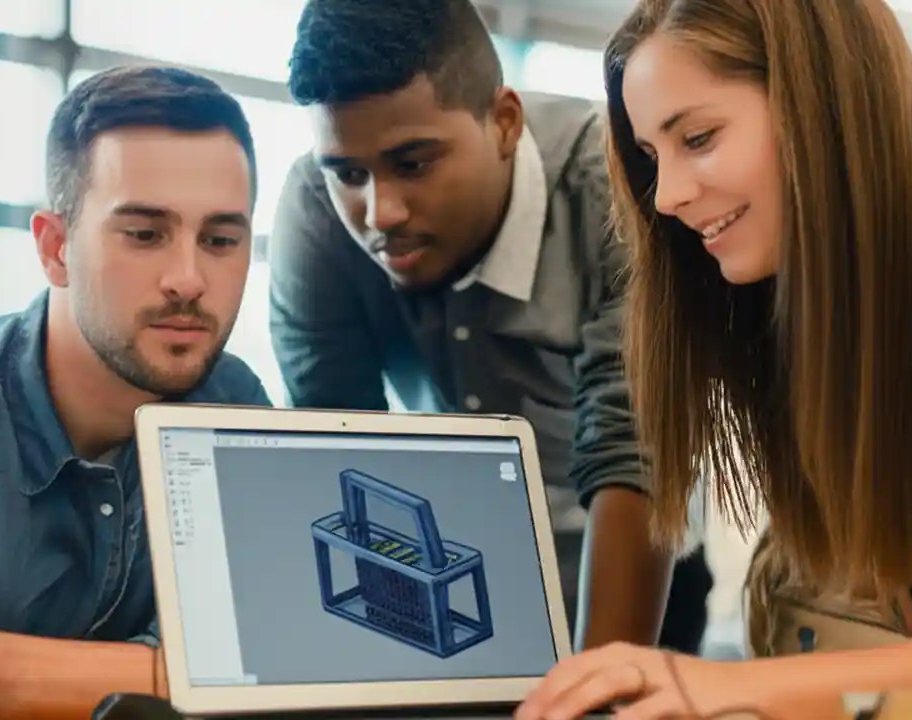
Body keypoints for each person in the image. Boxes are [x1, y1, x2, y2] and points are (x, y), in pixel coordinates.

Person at [515, 0, 912, 718]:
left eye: (699, 137)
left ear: (816, 99)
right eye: (654, 158)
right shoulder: (814, 282)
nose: (671, 197)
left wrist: (709, 688)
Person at [269, 0, 694, 649]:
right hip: (454, 567)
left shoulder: (614, 186)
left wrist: (597, 695)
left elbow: (635, 446)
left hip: (634, 564)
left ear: (503, 123)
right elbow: (341, 441)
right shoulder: (315, 211)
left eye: (412, 163)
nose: (380, 212)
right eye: (350, 174)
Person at [0, 65, 269, 719]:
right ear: (55, 249)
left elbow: (266, 673)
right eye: (144, 234)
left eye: (220, 240)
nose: (189, 279)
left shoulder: (238, 411)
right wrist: (172, 674)